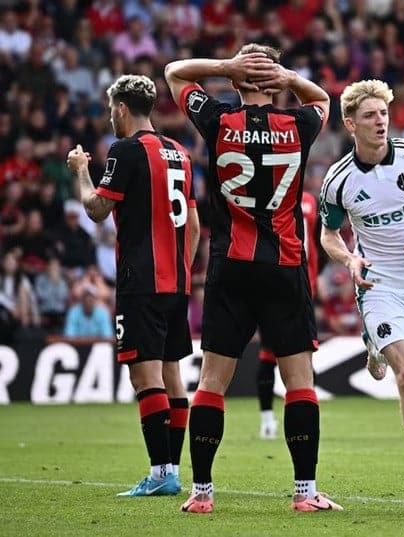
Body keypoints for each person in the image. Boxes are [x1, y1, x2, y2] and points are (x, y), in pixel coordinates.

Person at [164, 44, 342, 513]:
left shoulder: (218, 121)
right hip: (284, 267)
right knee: (299, 381)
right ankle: (305, 494)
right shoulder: (299, 125)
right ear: (275, 83)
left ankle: (201, 494)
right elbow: (324, 99)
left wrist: (225, 68)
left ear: (240, 80)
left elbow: (175, 74)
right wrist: (288, 76)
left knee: (211, 382)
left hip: (230, 266)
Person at [319, 79, 404, 501]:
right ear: (350, 124)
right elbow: (328, 236)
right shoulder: (338, 180)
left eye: (383, 114)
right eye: (369, 116)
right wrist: (349, 259)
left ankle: (374, 344)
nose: (380, 122)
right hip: (379, 286)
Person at [66, 74, 200, 497]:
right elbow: (193, 225)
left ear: (121, 108)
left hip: (140, 282)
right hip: (175, 282)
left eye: (111, 109)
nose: (110, 116)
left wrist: (83, 171)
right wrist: (180, 270)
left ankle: (161, 474)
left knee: (146, 378)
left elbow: (97, 210)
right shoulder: (180, 152)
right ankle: (172, 471)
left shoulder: (124, 150)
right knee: (173, 376)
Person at [257, 190, 319, 440]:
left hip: (301, 285)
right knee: (271, 356)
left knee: (294, 356)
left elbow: (312, 243)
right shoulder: (295, 199)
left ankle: (280, 418)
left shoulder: (307, 200)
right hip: (280, 283)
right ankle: (268, 419)